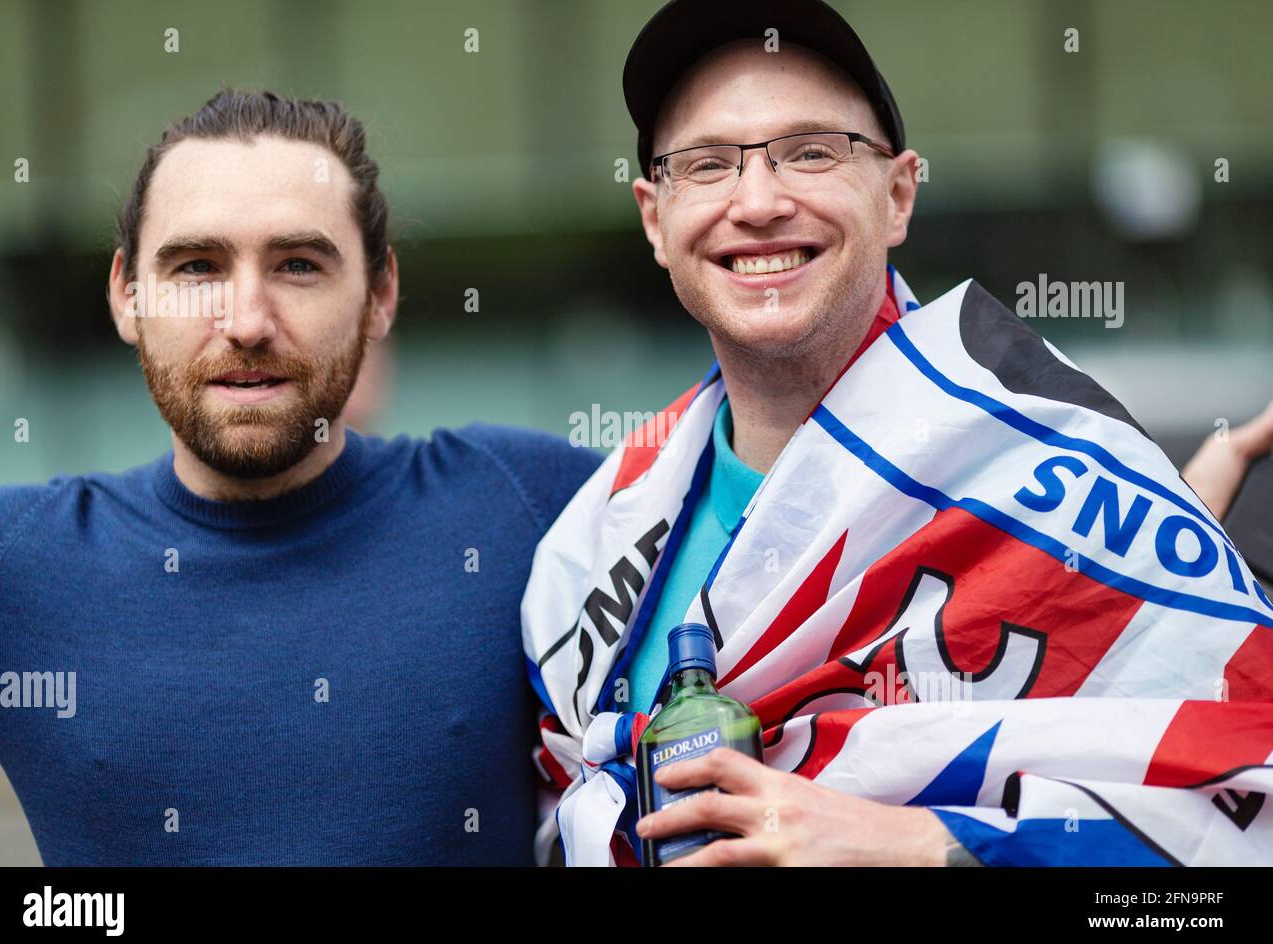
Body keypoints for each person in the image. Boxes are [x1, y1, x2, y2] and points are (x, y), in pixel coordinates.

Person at [522, 0, 1273, 867]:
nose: (758, 202)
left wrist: (916, 844)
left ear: (899, 195)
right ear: (657, 219)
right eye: (708, 165)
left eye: (810, 152)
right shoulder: (587, 546)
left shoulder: (1060, 474)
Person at [0, 90, 600, 865]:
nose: (246, 320)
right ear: (126, 295)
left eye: (298, 265)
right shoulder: (4, 561)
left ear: (379, 295)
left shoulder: (529, 501)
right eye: (197, 266)